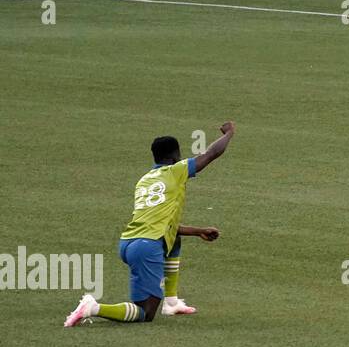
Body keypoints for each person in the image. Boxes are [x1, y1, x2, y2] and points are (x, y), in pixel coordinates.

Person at [64, 123, 234, 327]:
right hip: (147, 247)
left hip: (129, 243)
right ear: (175, 157)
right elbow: (212, 153)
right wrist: (230, 133)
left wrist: (198, 232)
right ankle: (93, 308)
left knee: (174, 240)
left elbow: (164, 226)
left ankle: (171, 303)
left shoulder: (144, 180)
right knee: (145, 313)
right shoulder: (175, 170)